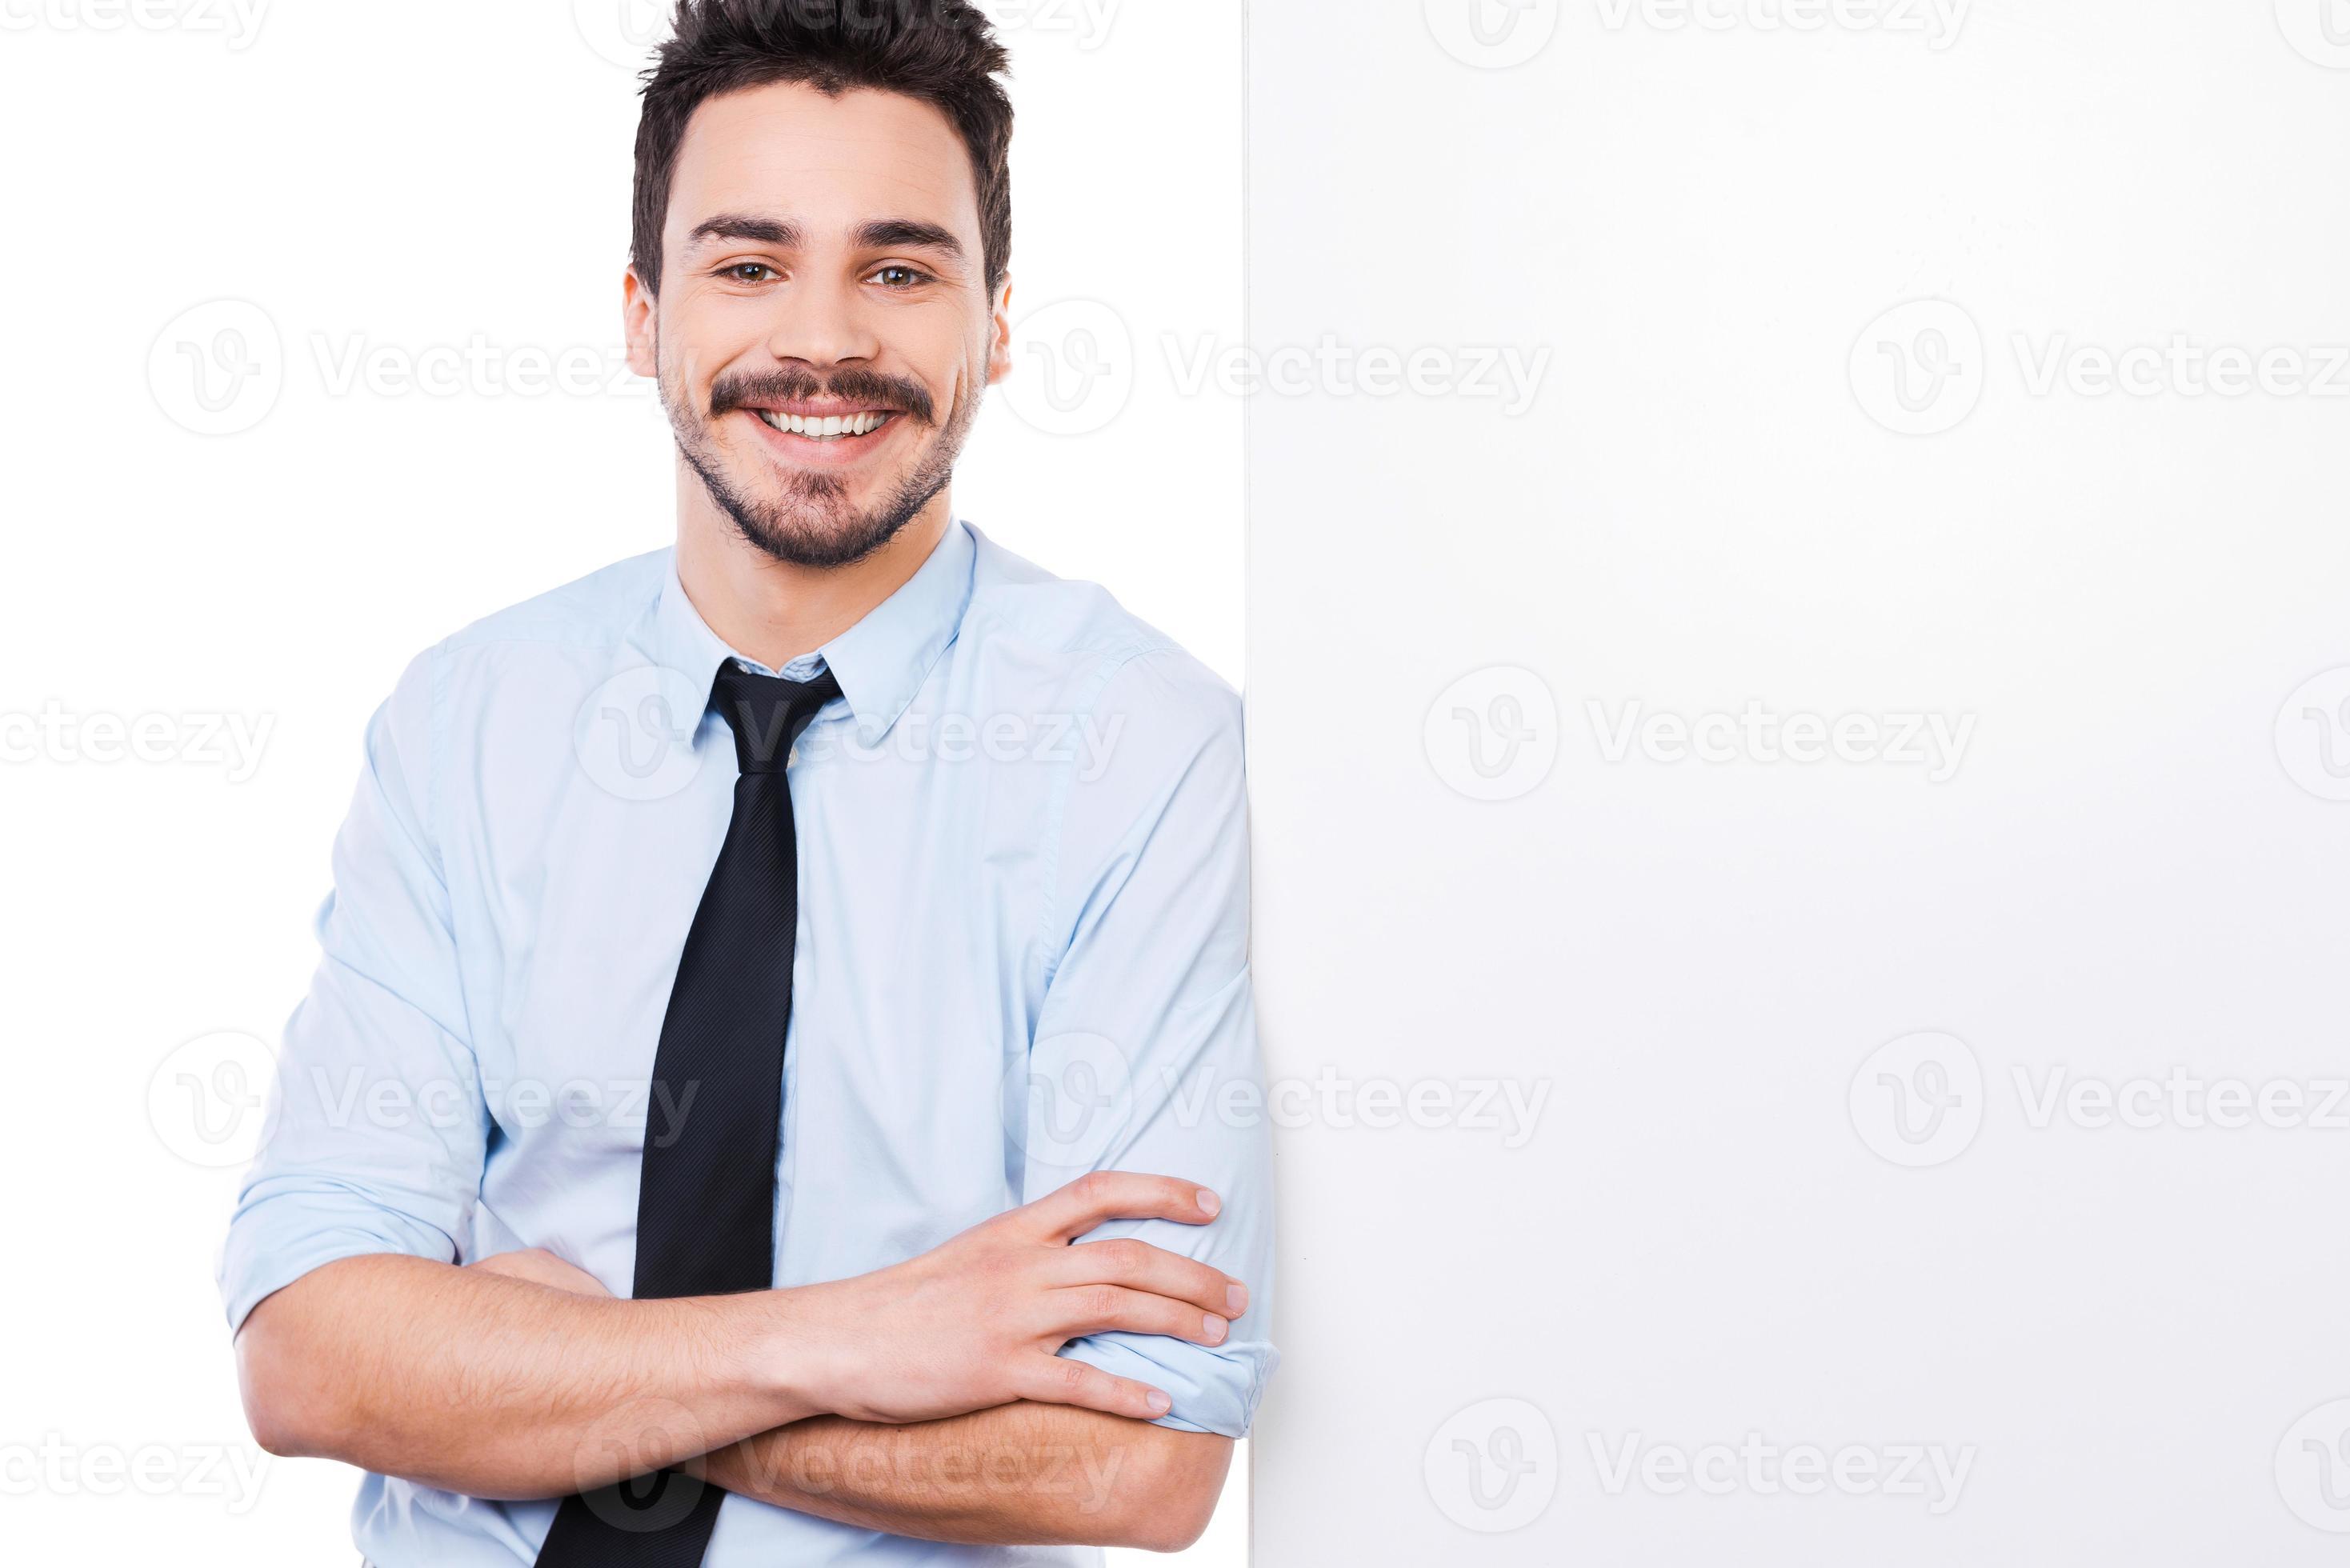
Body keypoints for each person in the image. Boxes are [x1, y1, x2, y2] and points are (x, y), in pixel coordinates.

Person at [218, 4, 1275, 1562]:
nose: (826, 338)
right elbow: (310, 1353)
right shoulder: (470, 718)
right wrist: (858, 1337)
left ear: (993, 324)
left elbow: (1132, 1459)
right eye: (748, 261)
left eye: (899, 268)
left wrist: (557, 1368)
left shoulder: (1137, 748)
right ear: (644, 313)